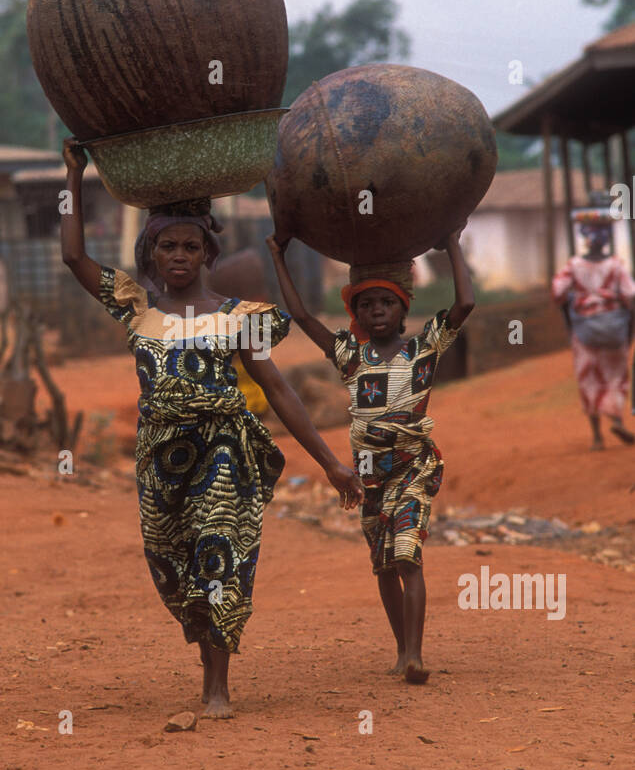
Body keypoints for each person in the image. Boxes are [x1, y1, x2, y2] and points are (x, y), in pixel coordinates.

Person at [61, 140, 362, 719]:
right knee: (172, 564)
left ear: (207, 254)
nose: (179, 255)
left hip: (225, 447)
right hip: (160, 459)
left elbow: (278, 389)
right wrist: (74, 176)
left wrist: (330, 462)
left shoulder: (237, 317)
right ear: (150, 253)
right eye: (168, 246)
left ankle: (216, 689)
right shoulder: (135, 307)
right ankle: (205, 654)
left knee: (219, 551)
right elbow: (76, 259)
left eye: (190, 246)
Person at [267, 229, 475, 685]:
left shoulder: (424, 349)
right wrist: (279, 256)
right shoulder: (350, 355)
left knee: (408, 556)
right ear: (356, 313)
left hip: (412, 470)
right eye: (366, 304)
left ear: (404, 308)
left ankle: (416, 655)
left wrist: (452, 244)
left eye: (386, 302)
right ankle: (401, 651)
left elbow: (463, 305)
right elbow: (299, 313)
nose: (376, 310)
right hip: (367, 478)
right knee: (383, 564)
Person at [551, 203, 635, 450]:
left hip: (584, 331)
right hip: (614, 329)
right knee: (615, 376)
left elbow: (557, 293)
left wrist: (571, 312)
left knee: (588, 379)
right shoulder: (617, 266)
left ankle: (597, 438)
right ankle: (617, 420)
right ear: (606, 239)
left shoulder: (574, 266)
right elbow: (631, 298)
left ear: (584, 238)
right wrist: (629, 331)